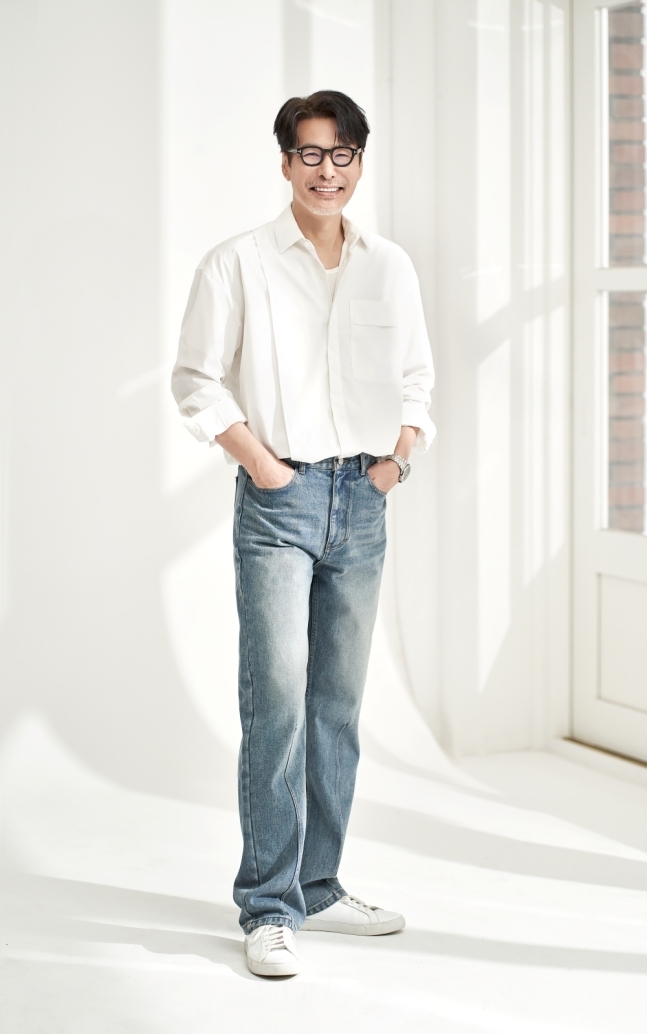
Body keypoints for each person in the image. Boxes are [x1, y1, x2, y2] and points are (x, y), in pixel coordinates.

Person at [171, 90, 435, 978]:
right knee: (278, 701)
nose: (328, 170)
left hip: (363, 499)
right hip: (279, 501)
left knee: (336, 707)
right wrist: (261, 464)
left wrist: (397, 460)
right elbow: (196, 379)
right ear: (285, 162)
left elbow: (416, 376)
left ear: (359, 161)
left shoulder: (387, 265)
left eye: (343, 153)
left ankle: (317, 886)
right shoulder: (237, 262)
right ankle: (268, 905)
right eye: (311, 154)